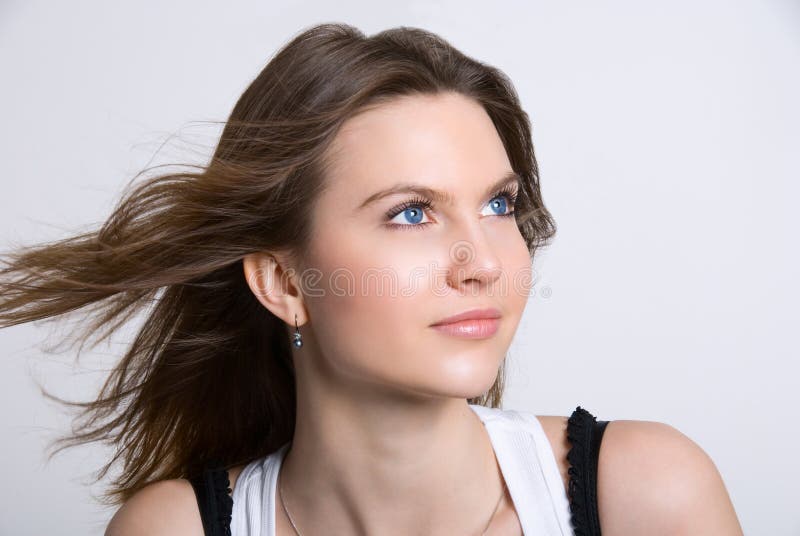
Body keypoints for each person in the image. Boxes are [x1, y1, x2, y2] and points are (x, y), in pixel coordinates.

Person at [0, 23, 742, 535]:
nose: (485, 263)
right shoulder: (173, 529)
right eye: (412, 213)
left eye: (499, 204)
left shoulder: (647, 497)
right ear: (284, 283)